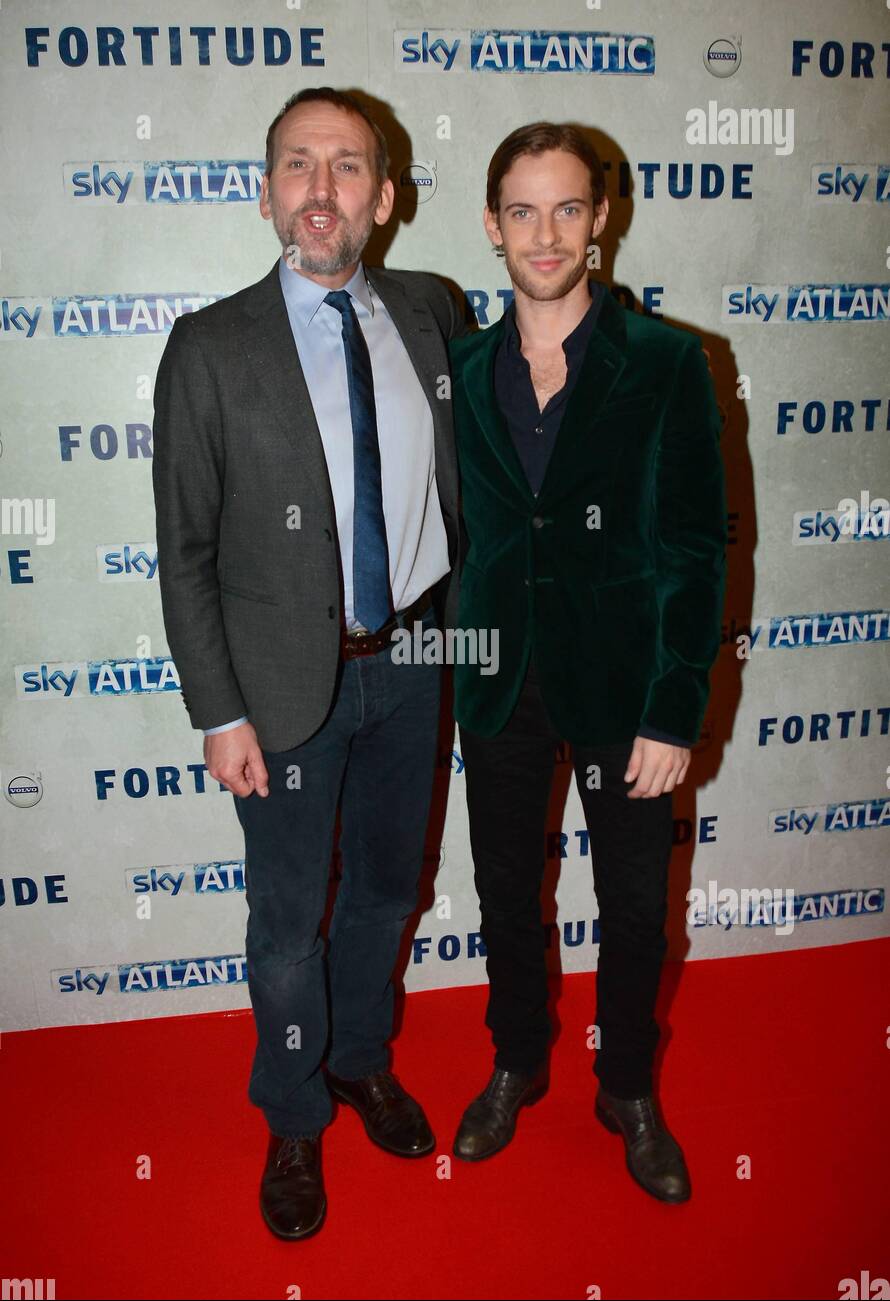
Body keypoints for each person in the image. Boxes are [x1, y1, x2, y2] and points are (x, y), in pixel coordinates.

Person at [152, 86, 467, 1240]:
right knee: (287, 924)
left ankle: (357, 1060)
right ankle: (292, 1115)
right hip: (283, 689)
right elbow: (183, 550)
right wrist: (217, 708)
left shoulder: (433, 312)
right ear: (268, 189)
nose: (320, 188)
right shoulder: (209, 345)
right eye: (297, 164)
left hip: (415, 661)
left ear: (385, 199)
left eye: (346, 167)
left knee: (388, 889)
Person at [447, 122, 727, 1203]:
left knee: (633, 908)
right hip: (500, 687)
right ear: (490, 226)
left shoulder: (667, 363)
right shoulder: (462, 369)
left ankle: (625, 1088)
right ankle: (516, 1060)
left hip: (624, 691)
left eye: (567, 207)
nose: (545, 233)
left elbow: (695, 547)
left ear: (599, 218)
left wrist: (672, 709)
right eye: (522, 211)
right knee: (506, 891)